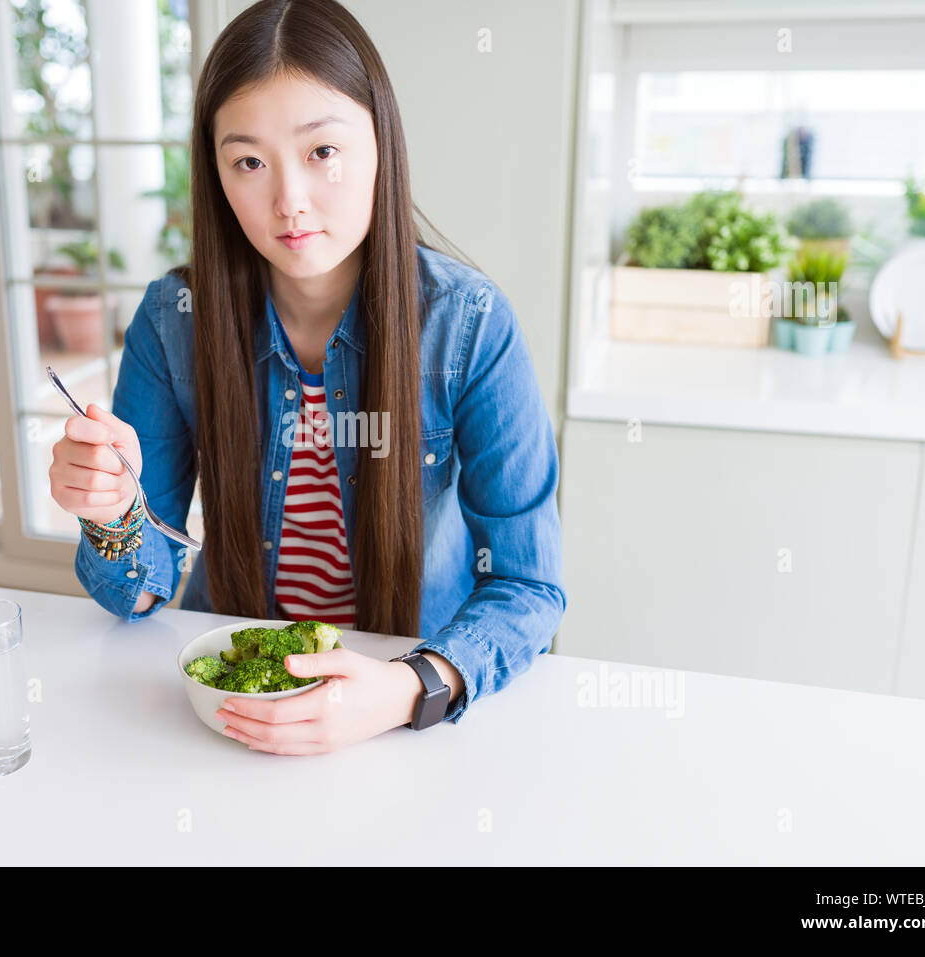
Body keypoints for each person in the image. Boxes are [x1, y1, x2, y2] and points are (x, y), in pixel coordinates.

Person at [49, 0, 564, 755]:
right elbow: (140, 589)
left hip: (402, 713)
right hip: (230, 707)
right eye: (248, 162)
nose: (288, 200)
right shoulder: (175, 319)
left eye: (322, 151)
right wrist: (111, 510)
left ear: (381, 141)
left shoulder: (469, 324)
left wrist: (407, 686)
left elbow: (528, 586)